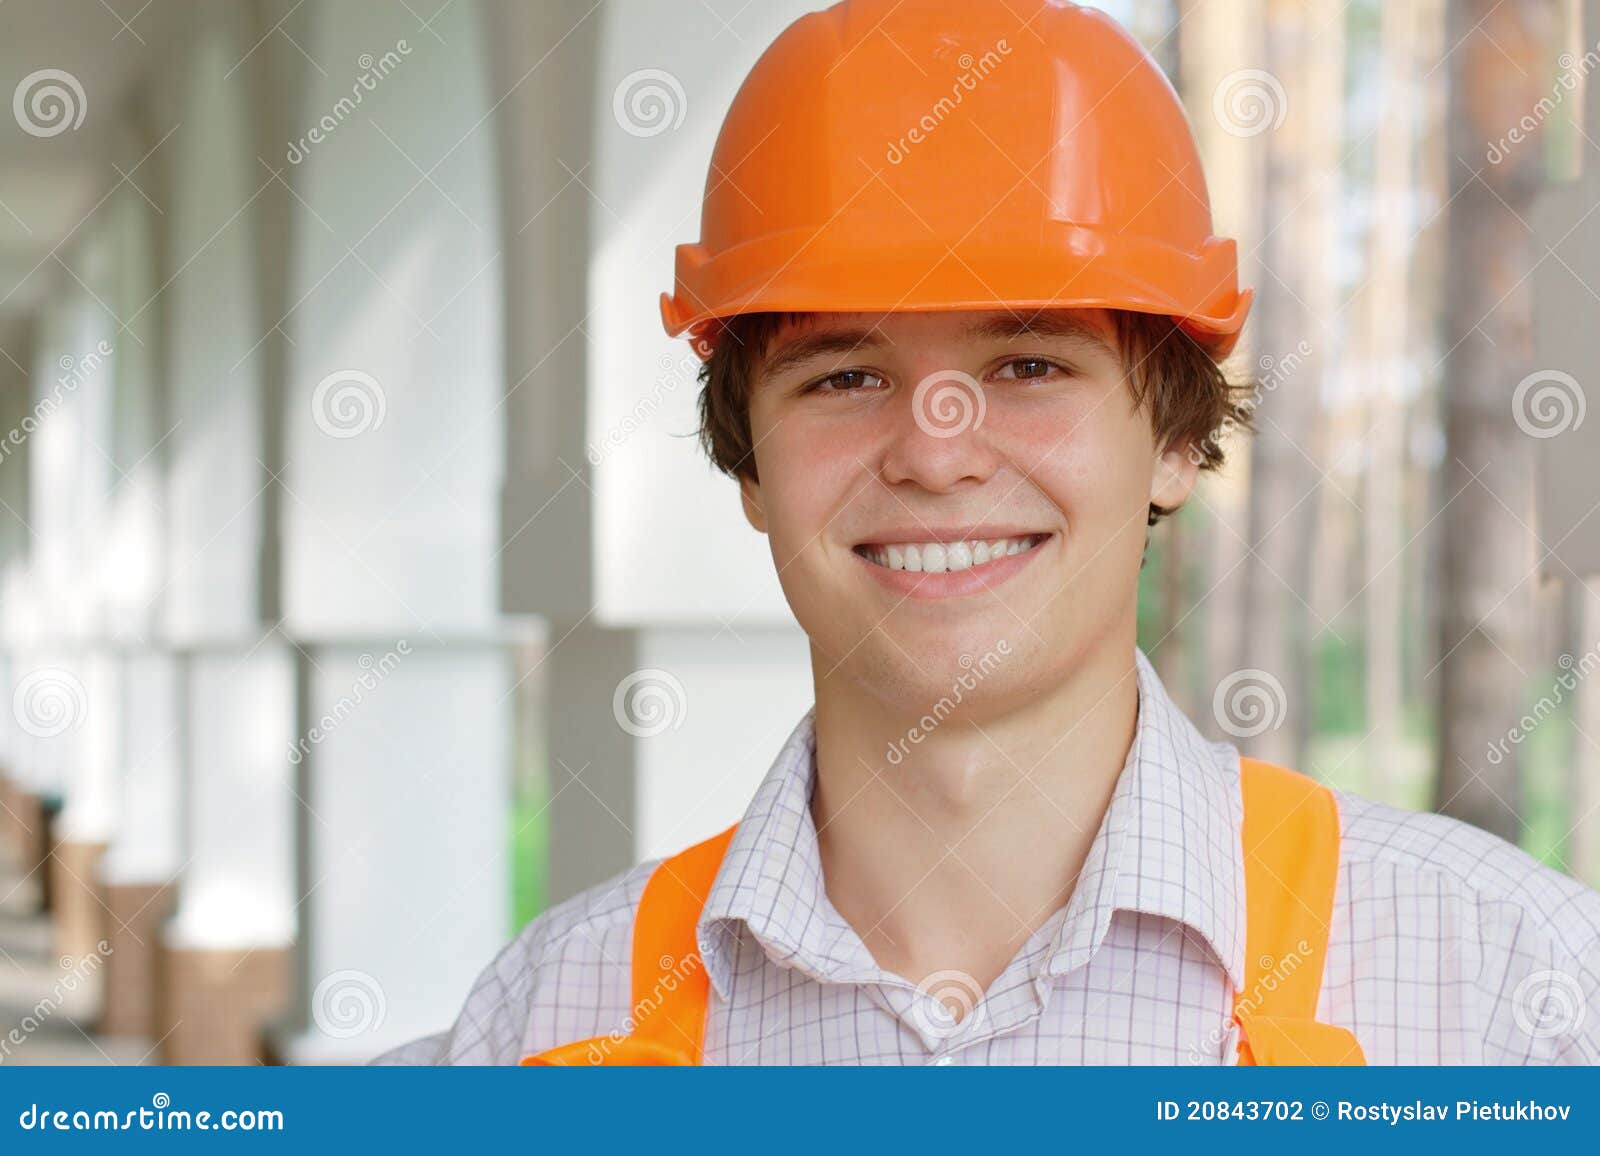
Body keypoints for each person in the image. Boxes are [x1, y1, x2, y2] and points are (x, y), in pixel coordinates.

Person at [380, 0, 1600, 1065]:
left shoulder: (1504, 991)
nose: (936, 446)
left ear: (1175, 438)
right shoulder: (549, 1025)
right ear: (748, 461)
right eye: (843, 376)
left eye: (1027, 362)